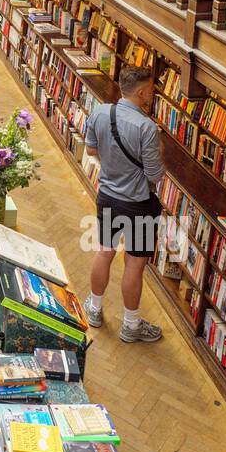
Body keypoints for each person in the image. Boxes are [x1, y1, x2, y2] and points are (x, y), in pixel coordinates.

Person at [82, 65, 165, 344]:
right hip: (137, 204)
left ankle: (94, 309)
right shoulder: (147, 128)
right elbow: (155, 175)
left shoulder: (100, 112)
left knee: (104, 251)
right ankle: (130, 325)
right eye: (151, 91)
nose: (151, 96)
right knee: (134, 263)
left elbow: (91, 149)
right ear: (141, 93)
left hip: (107, 194)